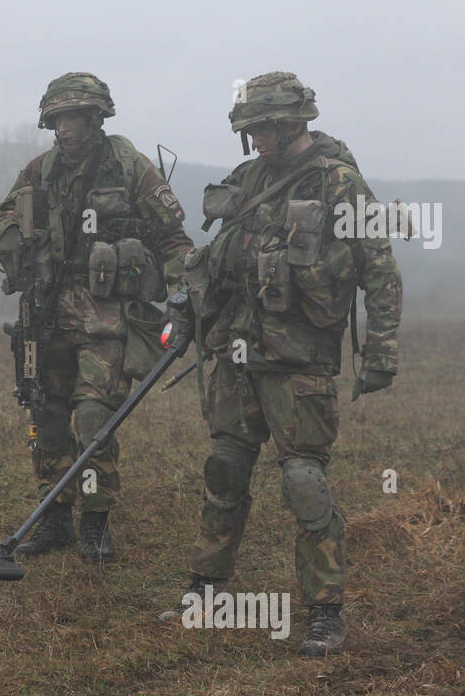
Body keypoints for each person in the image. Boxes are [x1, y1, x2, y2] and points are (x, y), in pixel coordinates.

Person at [159, 71, 403, 656]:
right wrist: (186, 311)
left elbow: (381, 270)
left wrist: (382, 349)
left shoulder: (340, 184)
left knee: (303, 480)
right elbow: (216, 262)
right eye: (251, 128)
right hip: (235, 354)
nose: (257, 137)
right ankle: (207, 588)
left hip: (300, 361)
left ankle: (324, 612)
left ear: (295, 122)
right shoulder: (246, 180)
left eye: (265, 127)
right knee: (224, 468)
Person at [0, 72, 193, 561]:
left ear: (96, 117)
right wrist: (12, 236)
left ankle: (95, 520)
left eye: (74, 118)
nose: (65, 129)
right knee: (46, 412)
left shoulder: (129, 166)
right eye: (57, 120)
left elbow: (174, 240)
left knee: (93, 416)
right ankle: (54, 515)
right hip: (46, 314)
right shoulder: (40, 170)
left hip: (107, 317)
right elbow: (4, 217)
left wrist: (183, 294)